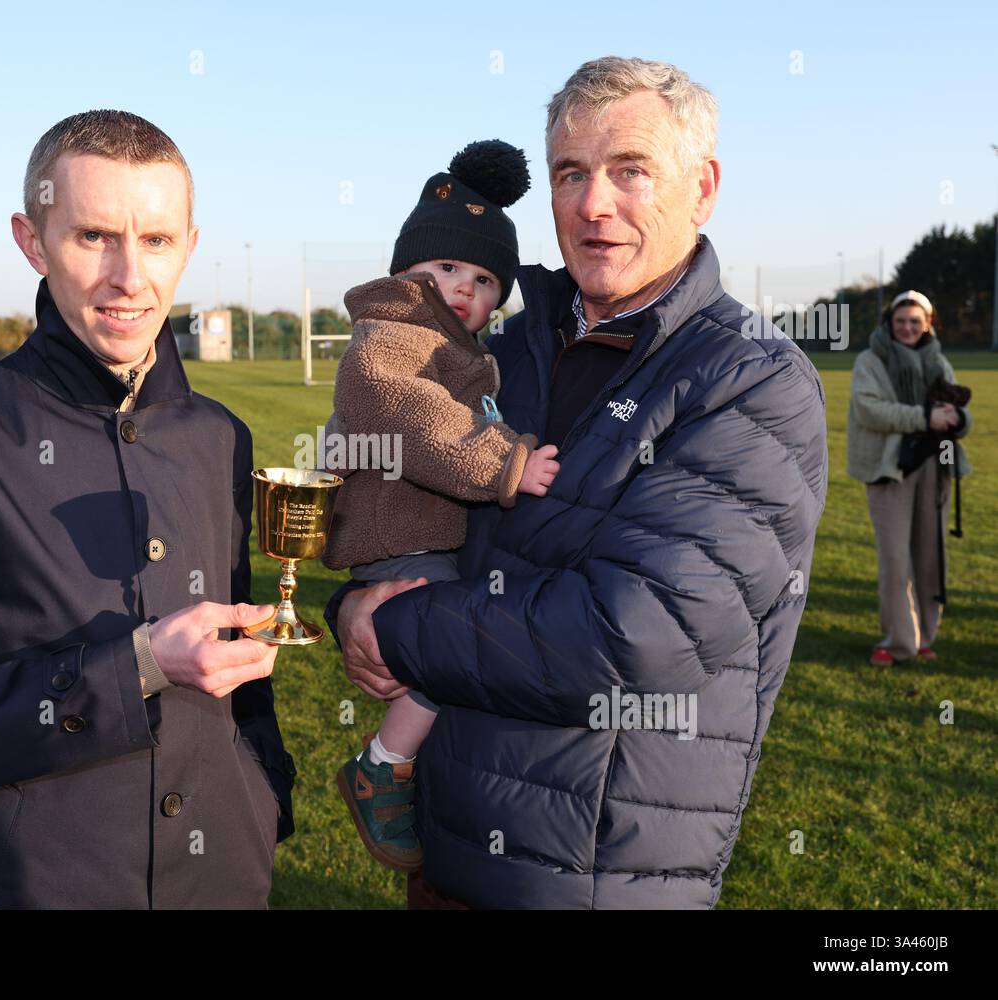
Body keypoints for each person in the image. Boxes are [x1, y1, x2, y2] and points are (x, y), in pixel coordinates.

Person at [326, 56, 828, 909]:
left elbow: (632, 635)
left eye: (631, 170)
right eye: (571, 173)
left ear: (702, 188)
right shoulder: (501, 354)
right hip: (446, 857)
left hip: (593, 879)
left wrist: (396, 626)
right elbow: (414, 515)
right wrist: (354, 602)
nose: (594, 205)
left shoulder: (751, 381)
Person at [0, 110, 296, 909]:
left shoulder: (219, 438)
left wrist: (264, 798)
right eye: (94, 236)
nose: (130, 277)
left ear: (190, 244)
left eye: (157, 240)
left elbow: (243, 677)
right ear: (32, 240)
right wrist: (137, 667)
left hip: (221, 880)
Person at [321, 139, 559, 872]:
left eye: (486, 280)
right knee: (453, 644)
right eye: (447, 268)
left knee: (451, 644)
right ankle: (383, 763)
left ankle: (400, 759)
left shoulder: (457, 345)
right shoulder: (391, 339)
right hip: (397, 533)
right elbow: (414, 419)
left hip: (423, 533)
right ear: (406, 270)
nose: (465, 289)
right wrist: (506, 461)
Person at [846, 290, 972, 664]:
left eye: (916, 321)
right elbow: (870, 411)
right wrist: (924, 418)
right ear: (889, 322)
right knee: (895, 560)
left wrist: (959, 419)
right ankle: (900, 640)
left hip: (936, 467)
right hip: (890, 470)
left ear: (928, 324)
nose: (907, 327)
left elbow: (959, 415)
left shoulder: (938, 360)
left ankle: (925, 637)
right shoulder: (871, 359)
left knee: (931, 557)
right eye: (901, 320)